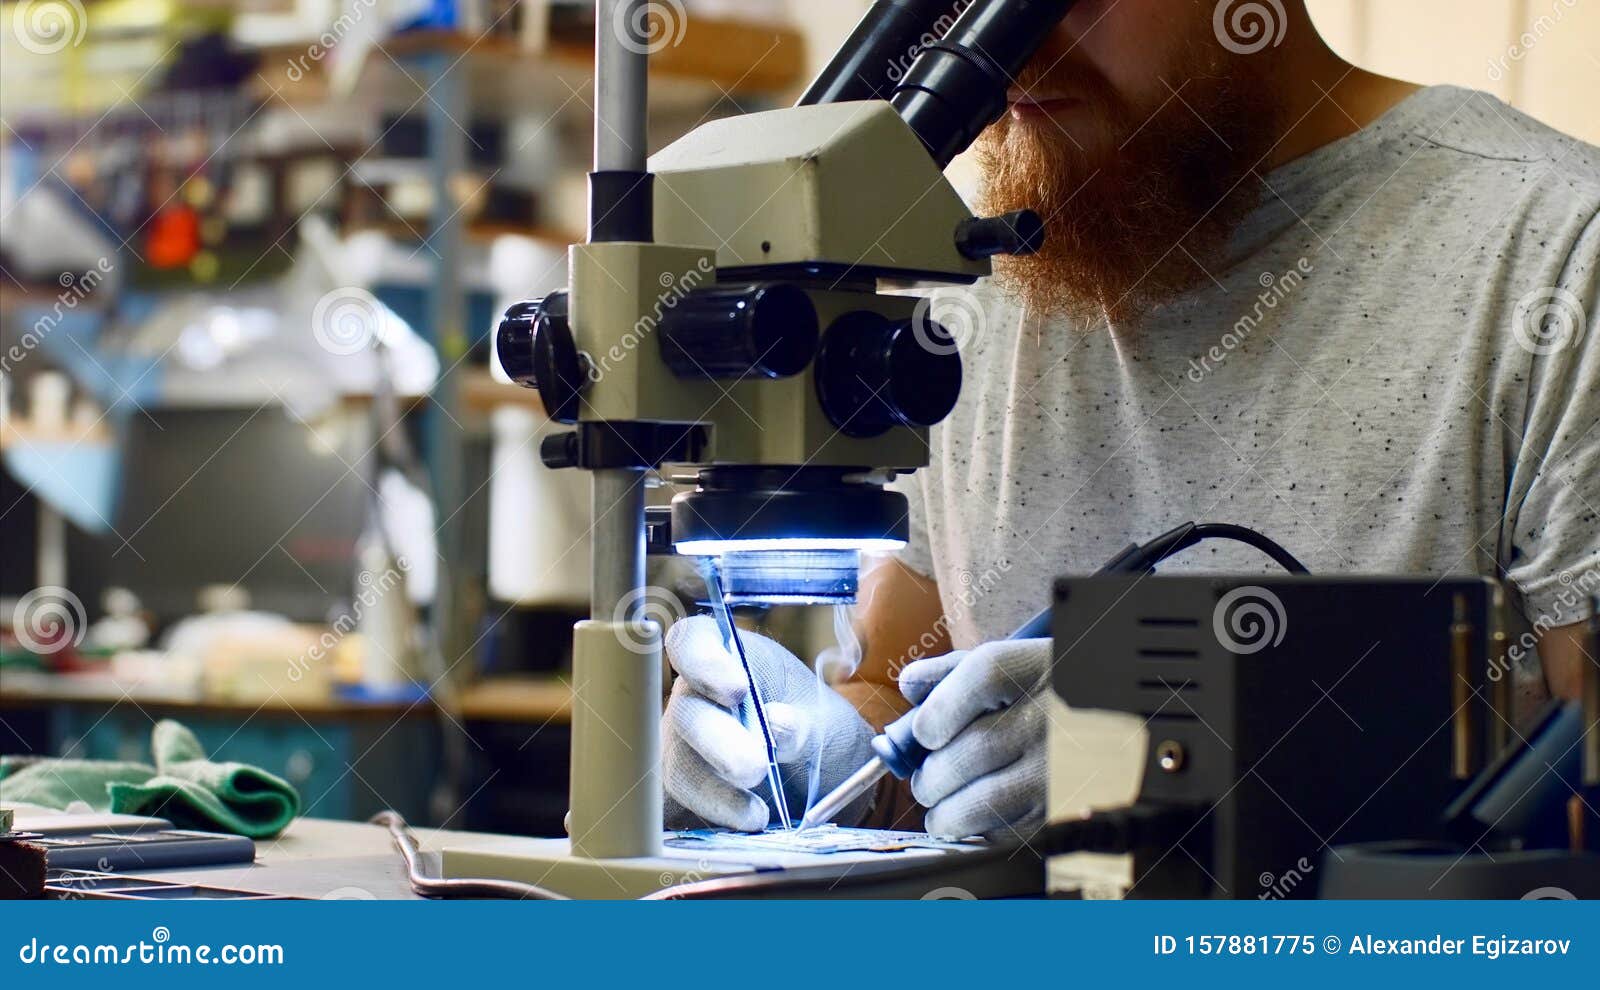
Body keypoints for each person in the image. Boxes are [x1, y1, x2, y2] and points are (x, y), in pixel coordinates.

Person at [662, 0, 1599, 843]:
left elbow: (1584, 781)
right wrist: (831, 763)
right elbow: (895, 696)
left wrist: (1213, 760)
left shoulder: (1554, 253)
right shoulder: (972, 282)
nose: (1018, 55)